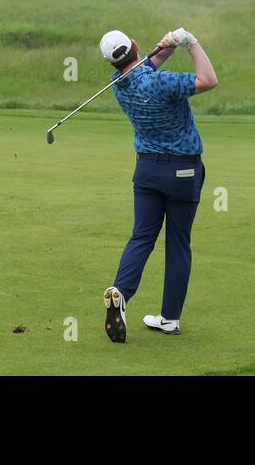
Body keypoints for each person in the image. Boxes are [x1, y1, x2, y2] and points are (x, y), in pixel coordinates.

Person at [101, 26, 218, 342]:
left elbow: (142, 67)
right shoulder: (162, 81)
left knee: (141, 236)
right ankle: (169, 318)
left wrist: (167, 45)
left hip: (148, 170)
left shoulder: (119, 84)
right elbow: (208, 80)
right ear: (135, 45)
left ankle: (121, 295)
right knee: (178, 243)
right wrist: (191, 43)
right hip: (183, 171)